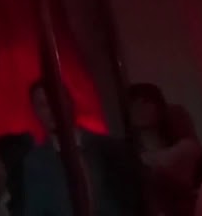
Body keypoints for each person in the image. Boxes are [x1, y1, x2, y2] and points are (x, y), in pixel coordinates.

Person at [22, 79, 143, 216]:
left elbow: (131, 201)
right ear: (36, 112)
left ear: (70, 102)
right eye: (43, 105)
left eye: (56, 100)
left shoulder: (109, 148)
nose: (52, 110)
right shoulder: (36, 163)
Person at [127, 82, 201, 215]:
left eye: (145, 102)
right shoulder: (127, 154)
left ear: (158, 106)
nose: (139, 108)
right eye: (133, 104)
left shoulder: (186, 149)